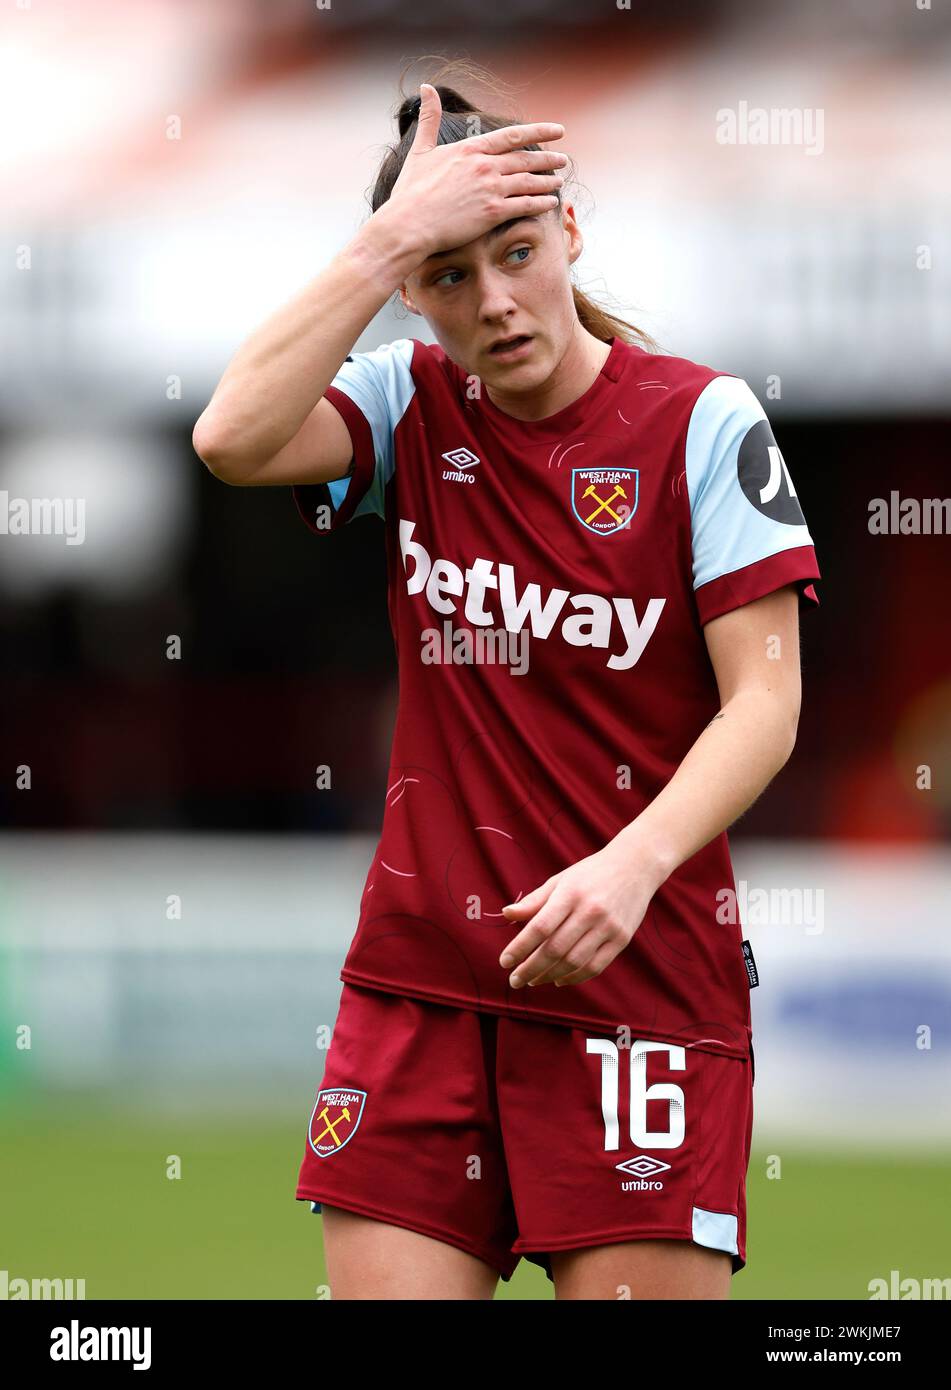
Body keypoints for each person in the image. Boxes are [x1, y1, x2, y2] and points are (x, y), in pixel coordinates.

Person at [193, 69, 821, 1301]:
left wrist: (629, 867)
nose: (494, 302)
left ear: (569, 231)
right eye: (446, 277)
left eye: (517, 251)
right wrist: (381, 244)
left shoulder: (704, 420)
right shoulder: (408, 403)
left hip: (635, 982)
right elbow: (230, 438)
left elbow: (767, 702)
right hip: (420, 984)